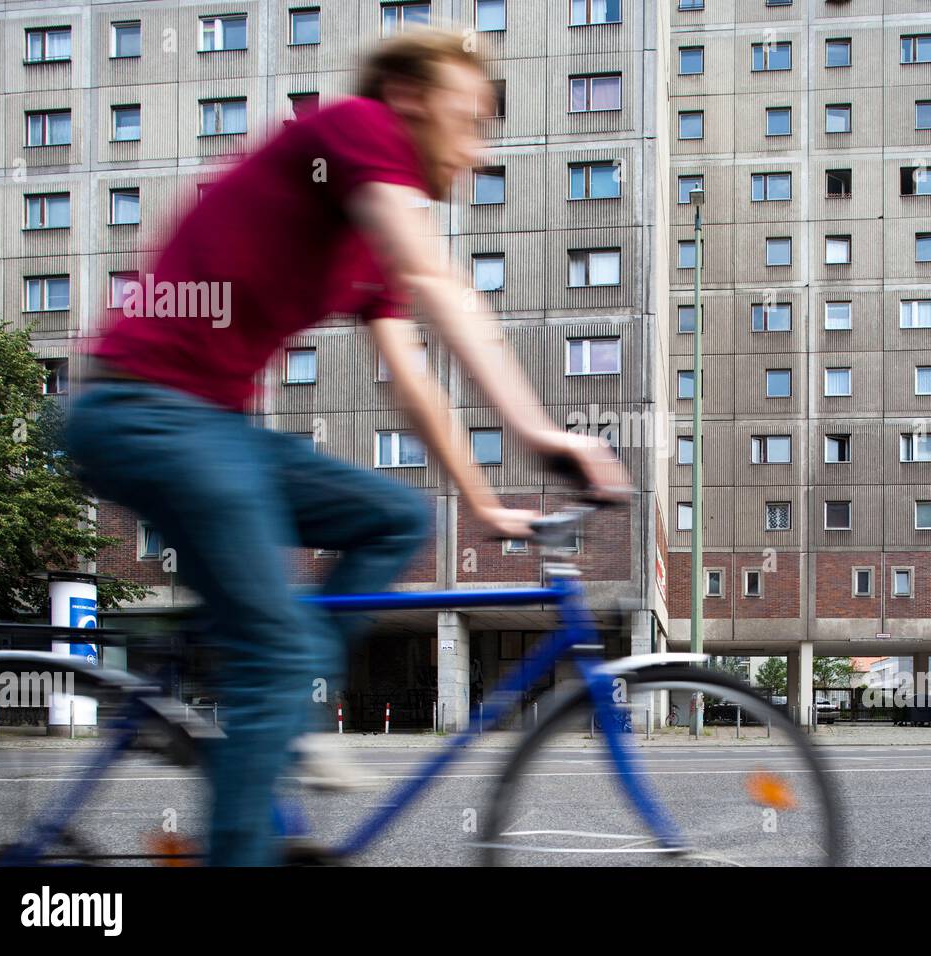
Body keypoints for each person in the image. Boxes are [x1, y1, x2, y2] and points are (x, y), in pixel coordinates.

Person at [65, 28, 627, 866]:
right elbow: (443, 284)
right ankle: (271, 727)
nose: (474, 154)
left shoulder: (366, 233)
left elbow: (413, 376)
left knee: (394, 517)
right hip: (141, 413)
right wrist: (542, 432)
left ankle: (276, 714)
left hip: (210, 429)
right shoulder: (354, 129)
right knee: (275, 651)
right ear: (408, 99)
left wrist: (478, 503)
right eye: (467, 123)